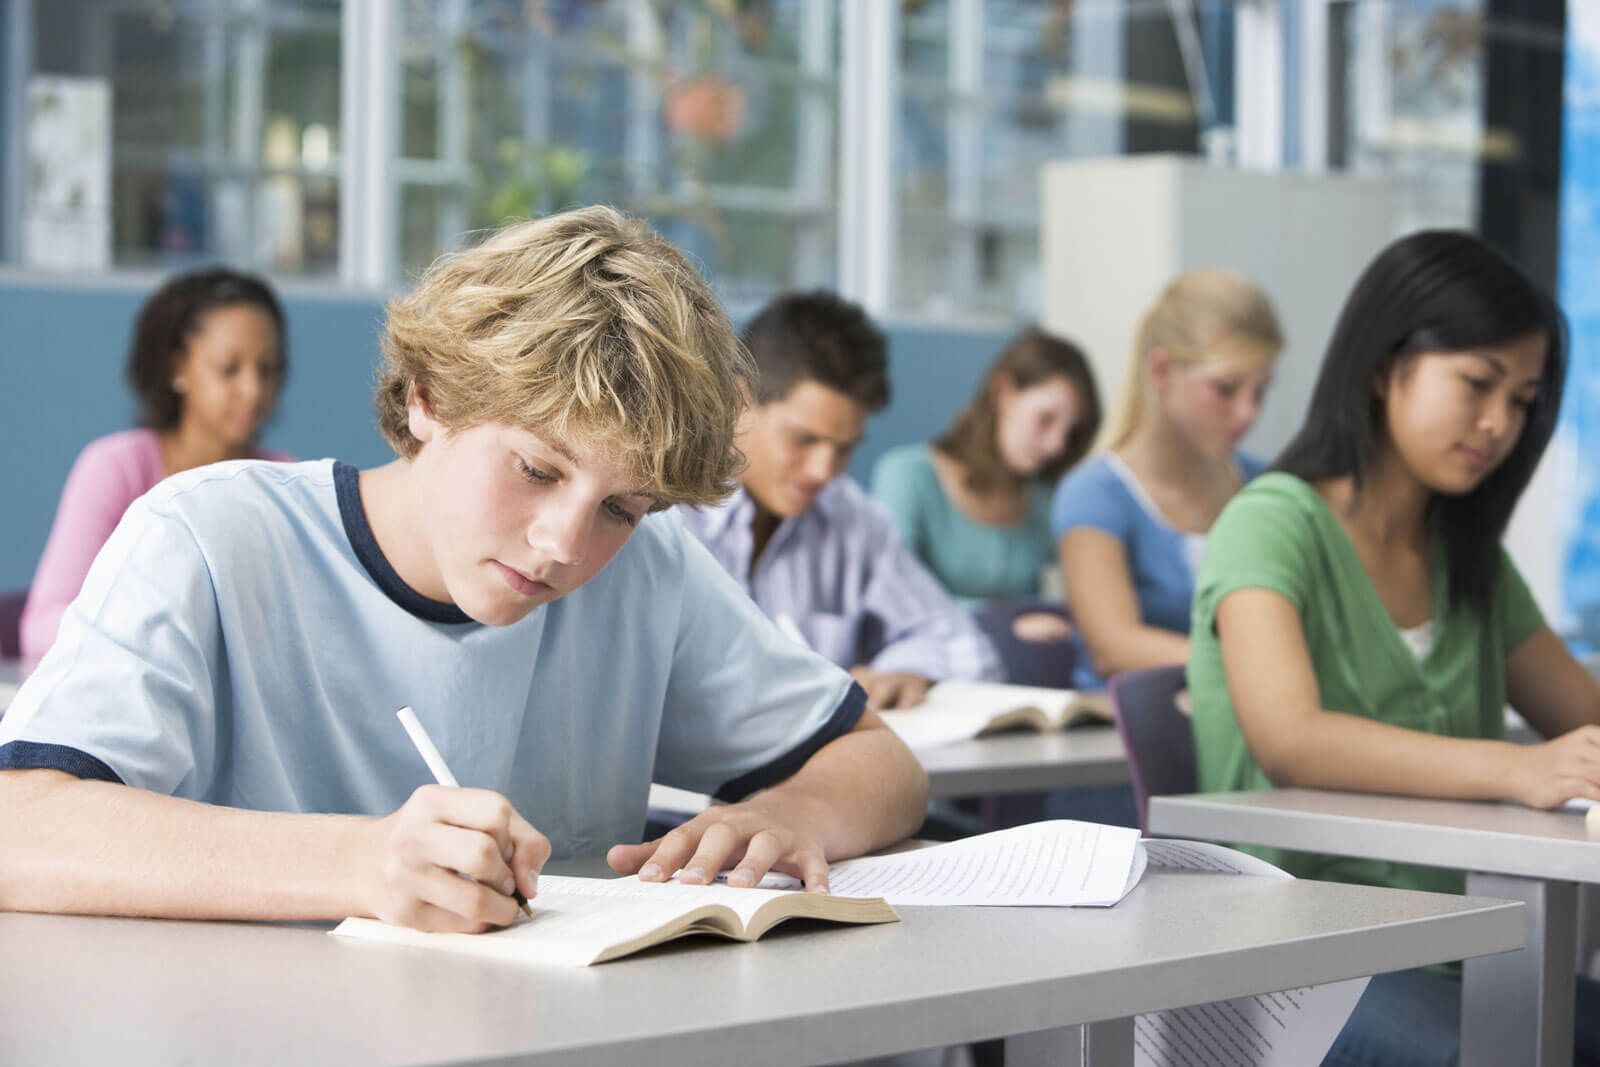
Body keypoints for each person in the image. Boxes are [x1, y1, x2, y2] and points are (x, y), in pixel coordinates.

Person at [0, 207, 929, 929]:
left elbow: (879, 763)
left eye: (621, 505)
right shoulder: (207, 535)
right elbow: (20, 826)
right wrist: (358, 863)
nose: (567, 543)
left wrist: (791, 813)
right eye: (535, 468)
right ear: (429, 399)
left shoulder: (647, 570)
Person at [1189, 230, 1600, 1066]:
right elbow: (1290, 738)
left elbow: (1586, 718)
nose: (1499, 423)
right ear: (1385, 367)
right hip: (1301, 949)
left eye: (1521, 399)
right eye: (1477, 383)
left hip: (1469, 936)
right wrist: (1520, 768)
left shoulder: (1466, 554)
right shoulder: (1271, 520)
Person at [679, 291, 1002, 713]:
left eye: (844, 448)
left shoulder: (852, 519)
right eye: (804, 439)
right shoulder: (666, 515)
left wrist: (908, 670)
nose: (823, 471)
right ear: (739, 402)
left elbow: (966, 647)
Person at [20, 268, 293, 664]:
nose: (253, 390)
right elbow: (41, 630)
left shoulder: (283, 481)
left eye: (267, 370)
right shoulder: (114, 468)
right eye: (229, 369)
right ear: (176, 367)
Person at [1053, 269, 1282, 690]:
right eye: (1226, 388)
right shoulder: (1093, 493)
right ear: (1162, 371)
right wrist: (1266, 666)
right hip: (1125, 739)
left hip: (1245, 729)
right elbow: (1113, 647)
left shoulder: (1263, 486)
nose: (1248, 413)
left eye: (1260, 392)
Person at [872, 328, 1099, 687]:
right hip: (928, 682)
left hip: (1020, 685)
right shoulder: (907, 475)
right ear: (1004, 393)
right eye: (1046, 420)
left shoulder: (1044, 498)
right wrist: (1003, 621)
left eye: (1069, 431)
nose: (1057, 444)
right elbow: (895, 598)